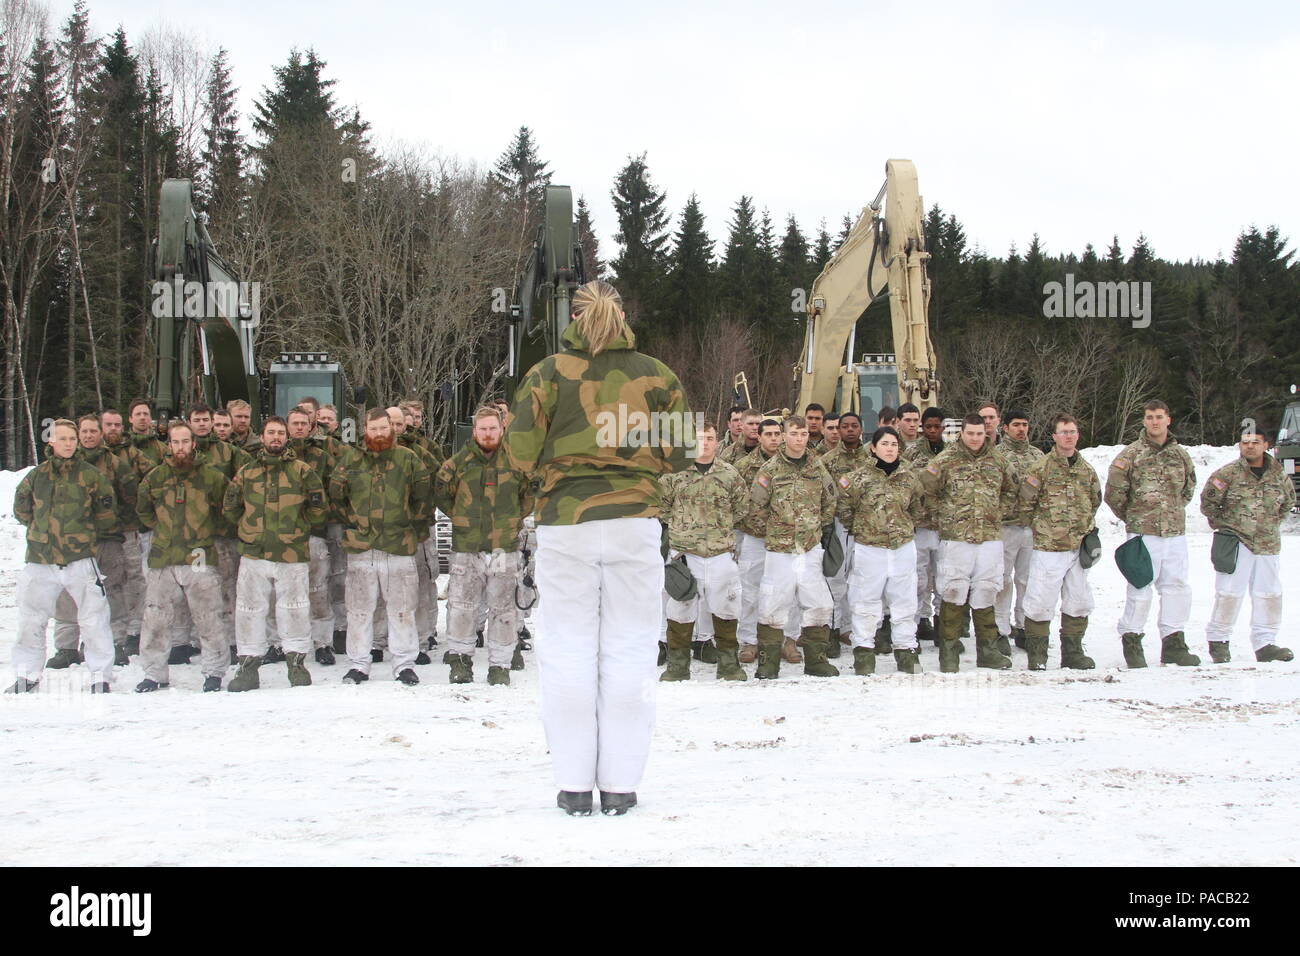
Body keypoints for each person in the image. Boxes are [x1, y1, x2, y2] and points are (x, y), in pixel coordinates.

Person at [505, 279, 689, 817]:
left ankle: (573, 787)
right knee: (631, 648)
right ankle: (622, 786)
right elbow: (679, 454)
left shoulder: (544, 374)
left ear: (573, 317)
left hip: (566, 522)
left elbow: (519, 453)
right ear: (622, 315)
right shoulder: (659, 375)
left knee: (568, 648)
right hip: (636, 520)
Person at [8, 420, 117, 693]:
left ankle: (100, 676)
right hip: (41, 560)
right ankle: (27, 675)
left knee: (94, 619)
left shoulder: (91, 476)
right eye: (63, 439)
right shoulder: (37, 476)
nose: (69, 443)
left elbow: (105, 514)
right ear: (51, 442)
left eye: (72, 438)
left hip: (80, 559)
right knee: (31, 619)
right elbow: (21, 510)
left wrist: (80, 536)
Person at [222, 416, 326, 691]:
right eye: (271, 432)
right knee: (249, 610)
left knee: (295, 609)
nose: (276, 437)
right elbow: (231, 508)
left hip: (291, 554)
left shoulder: (302, 471)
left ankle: (296, 664)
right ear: (263, 436)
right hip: (254, 554)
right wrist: (250, 531)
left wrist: (296, 529)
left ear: (286, 437)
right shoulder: (247, 472)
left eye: (281, 433)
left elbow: (318, 509)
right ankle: (248, 667)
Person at [330, 407, 431, 685]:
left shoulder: (408, 460)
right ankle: (359, 664)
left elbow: (423, 498)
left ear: (392, 429)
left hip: (398, 546)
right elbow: (336, 496)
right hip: (362, 548)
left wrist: (408, 526)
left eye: (383, 428)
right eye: (373, 429)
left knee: (402, 609)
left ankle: (404, 664)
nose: (378, 434)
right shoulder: (350, 460)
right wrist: (354, 522)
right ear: (365, 430)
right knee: (359, 610)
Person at [434, 406, 533, 685]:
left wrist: (512, 518)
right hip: (467, 548)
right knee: (462, 606)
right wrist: (463, 518)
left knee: (503, 609)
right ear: (474, 430)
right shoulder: (458, 463)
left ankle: (500, 665)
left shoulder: (517, 461)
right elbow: (442, 493)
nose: (488, 434)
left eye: (493, 428)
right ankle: (461, 661)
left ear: (502, 429)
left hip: (503, 548)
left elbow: (530, 495)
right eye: (482, 429)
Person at [134, 422, 232, 691]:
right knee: (155, 617)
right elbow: (143, 510)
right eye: (175, 442)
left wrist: (211, 530)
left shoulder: (210, 477)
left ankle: (214, 671)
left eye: (185, 442)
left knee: (208, 616)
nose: (180, 447)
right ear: (169, 444)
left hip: (199, 554)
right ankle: (154, 674)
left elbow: (228, 507)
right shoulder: (155, 477)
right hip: (164, 555)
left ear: (193, 444)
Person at [918, 413, 1019, 672]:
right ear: (961, 433)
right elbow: (925, 490)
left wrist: (998, 511)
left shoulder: (998, 460)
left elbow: (1011, 490)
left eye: (979, 433)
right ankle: (949, 654)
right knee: (953, 592)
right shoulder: (945, 460)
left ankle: (988, 651)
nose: (975, 438)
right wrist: (944, 515)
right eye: (970, 433)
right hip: (956, 538)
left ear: (985, 433)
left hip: (989, 538)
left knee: (987, 590)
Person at [1104, 399, 1198, 668]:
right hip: (1143, 534)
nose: (1154, 422)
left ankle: (1174, 643)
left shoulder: (1180, 455)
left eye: (1159, 416)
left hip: (1174, 533)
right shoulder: (1130, 455)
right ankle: (1132, 639)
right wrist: (1135, 517)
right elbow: (1114, 493)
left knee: (1176, 587)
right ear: (1144, 421)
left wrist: (1171, 512)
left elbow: (1188, 488)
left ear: (1168, 419)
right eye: (1149, 417)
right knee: (1140, 587)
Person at [747, 416, 838, 679]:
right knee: (773, 603)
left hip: (809, 548)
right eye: (794, 433)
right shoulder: (770, 470)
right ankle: (768, 662)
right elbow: (757, 508)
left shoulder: (817, 466)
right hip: (780, 550)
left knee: (818, 602)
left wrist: (813, 527)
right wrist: (779, 530)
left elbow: (829, 500)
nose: (800, 438)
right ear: (784, 436)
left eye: (804, 434)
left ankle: (816, 660)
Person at [658, 422, 747, 681]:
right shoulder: (674, 474)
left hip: (720, 552)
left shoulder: (730, 475)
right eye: (699, 438)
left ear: (717, 441)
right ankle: (677, 666)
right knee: (680, 608)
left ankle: (729, 665)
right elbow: (662, 507)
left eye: (709, 437)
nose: (704, 443)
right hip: (684, 554)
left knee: (727, 607)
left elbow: (741, 508)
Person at [1200, 426, 1295, 663]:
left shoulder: (1278, 475)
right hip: (1236, 543)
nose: (1250, 446)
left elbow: (1288, 502)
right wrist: (1229, 527)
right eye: (1245, 442)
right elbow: (1208, 504)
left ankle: (1266, 643)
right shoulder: (1227, 474)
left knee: (1269, 595)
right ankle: (1219, 640)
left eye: (1255, 442)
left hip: (1267, 544)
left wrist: (1269, 525)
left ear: (1266, 446)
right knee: (1229, 593)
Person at [48, 414, 137, 667]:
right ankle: (66, 647)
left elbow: (131, 497)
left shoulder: (115, 464)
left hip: (107, 541)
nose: (88, 436)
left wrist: (117, 526)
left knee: (112, 592)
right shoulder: (61, 466)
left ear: (100, 434)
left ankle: (115, 643)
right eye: (83, 432)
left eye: (92, 431)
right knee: (67, 595)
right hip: (70, 543)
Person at [837, 426, 924, 674]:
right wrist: (863, 528)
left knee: (904, 602)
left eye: (894, 444)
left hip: (902, 547)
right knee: (865, 601)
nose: (889, 449)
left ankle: (906, 651)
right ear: (873, 448)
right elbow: (845, 508)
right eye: (884, 444)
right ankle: (864, 652)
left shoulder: (909, 477)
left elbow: (917, 507)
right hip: (869, 548)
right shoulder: (858, 478)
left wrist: (903, 528)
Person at [1017, 414, 1102, 671]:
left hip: (1078, 547)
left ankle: (1073, 653)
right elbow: (1025, 504)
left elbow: (1095, 500)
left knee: (1078, 601)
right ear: (1054, 436)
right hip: (1048, 548)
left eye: (1073, 431)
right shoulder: (1040, 468)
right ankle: (1038, 655)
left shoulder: (1086, 470)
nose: (1069, 436)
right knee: (1040, 602)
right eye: (1063, 432)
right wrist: (1044, 529)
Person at [817, 411, 872, 657]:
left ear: (861, 429)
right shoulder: (827, 461)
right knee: (835, 579)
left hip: (866, 525)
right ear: (838, 430)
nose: (850, 430)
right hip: (838, 525)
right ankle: (833, 629)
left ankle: (855, 630)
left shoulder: (872, 458)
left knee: (861, 579)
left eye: (854, 426)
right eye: (845, 426)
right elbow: (824, 494)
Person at [287, 407, 339, 665]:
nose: (298, 428)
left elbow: (336, 491)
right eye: (294, 423)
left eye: (303, 423)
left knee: (319, 592)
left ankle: (322, 643)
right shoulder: (275, 458)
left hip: (314, 535)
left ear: (311, 427)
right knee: (285, 595)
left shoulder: (323, 457)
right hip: (282, 539)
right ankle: (281, 644)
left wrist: (320, 519)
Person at [993, 409, 1044, 653]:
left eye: (1024, 424)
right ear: (1006, 428)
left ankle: (1023, 626)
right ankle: (1000, 629)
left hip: (1030, 526)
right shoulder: (997, 455)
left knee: (1027, 580)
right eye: (1016, 425)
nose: (1021, 429)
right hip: (1006, 525)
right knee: (1002, 580)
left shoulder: (1038, 455)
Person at [734, 418, 783, 663]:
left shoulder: (794, 464)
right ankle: (749, 641)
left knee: (784, 592)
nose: (774, 438)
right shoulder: (744, 466)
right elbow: (735, 500)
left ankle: (783, 641)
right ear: (759, 437)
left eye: (777, 434)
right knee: (749, 590)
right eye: (769, 434)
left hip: (785, 539)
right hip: (753, 537)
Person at [99, 407, 146, 657]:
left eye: (117, 425)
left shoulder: (131, 456)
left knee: (133, 579)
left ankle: (135, 631)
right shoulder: (87, 459)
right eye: (109, 425)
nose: (114, 429)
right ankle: (103, 633)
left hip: (127, 528)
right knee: (103, 584)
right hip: (95, 534)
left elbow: (145, 485)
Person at [904, 407, 948, 644]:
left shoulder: (952, 454)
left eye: (936, 426)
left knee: (944, 577)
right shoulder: (911, 455)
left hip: (944, 526)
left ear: (943, 427)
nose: (932, 430)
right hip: (920, 524)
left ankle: (944, 623)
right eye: (928, 426)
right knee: (919, 579)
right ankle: (921, 619)